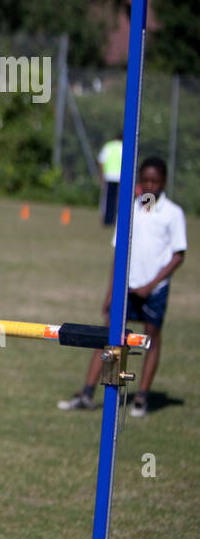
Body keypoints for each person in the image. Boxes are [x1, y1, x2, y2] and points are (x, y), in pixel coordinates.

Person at [57, 157, 186, 418]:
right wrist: (111, 290)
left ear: (163, 182)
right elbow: (118, 252)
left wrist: (151, 285)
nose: (149, 185)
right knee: (108, 338)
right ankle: (88, 393)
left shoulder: (173, 214)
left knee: (151, 338)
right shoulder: (130, 209)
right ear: (139, 181)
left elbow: (178, 255)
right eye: (145, 180)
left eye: (155, 180)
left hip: (154, 290)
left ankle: (140, 397)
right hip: (126, 287)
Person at [97, 132, 123, 227]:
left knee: (107, 200)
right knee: (117, 201)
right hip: (120, 178)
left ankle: (107, 221)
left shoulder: (108, 146)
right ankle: (114, 221)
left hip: (108, 177)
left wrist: (101, 176)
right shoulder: (123, 147)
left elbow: (101, 161)